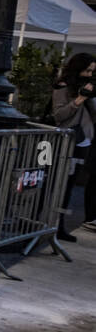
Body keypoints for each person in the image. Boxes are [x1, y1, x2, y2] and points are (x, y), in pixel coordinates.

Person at [53, 53, 96, 239]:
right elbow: (59, 115)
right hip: (65, 141)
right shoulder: (63, 87)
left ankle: (59, 225)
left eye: (92, 72)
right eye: (87, 70)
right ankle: (49, 223)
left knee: (69, 186)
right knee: (57, 184)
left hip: (83, 141)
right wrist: (78, 100)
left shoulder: (88, 89)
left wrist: (90, 97)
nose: (89, 75)